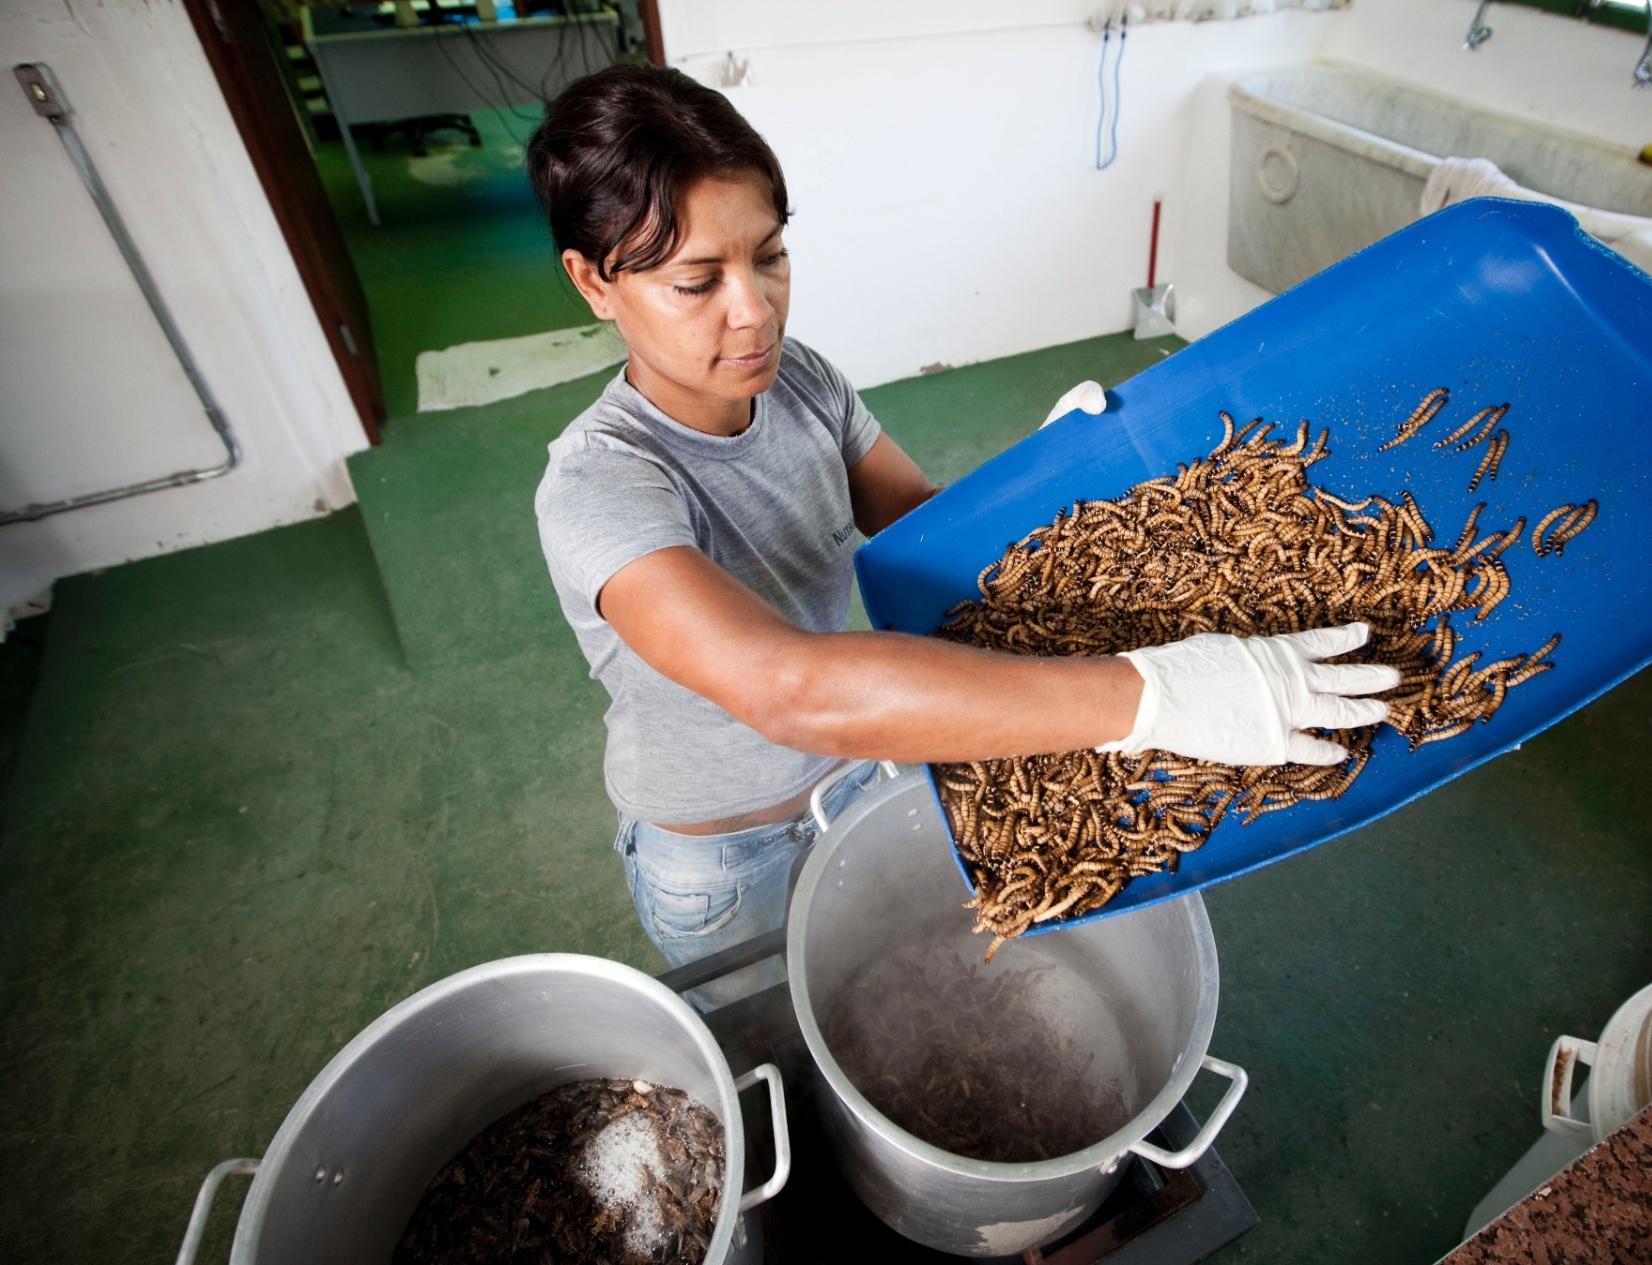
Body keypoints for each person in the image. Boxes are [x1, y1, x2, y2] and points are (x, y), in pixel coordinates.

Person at [529, 65, 1398, 1007]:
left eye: (770, 257)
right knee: (777, 1042)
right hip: (722, 858)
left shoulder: (803, 381)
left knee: (891, 991)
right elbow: (789, 688)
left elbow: (922, 523)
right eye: (697, 280)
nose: (755, 311)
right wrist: (1146, 696)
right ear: (594, 281)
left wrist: (1062, 480)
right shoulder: (600, 484)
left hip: (860, 778)